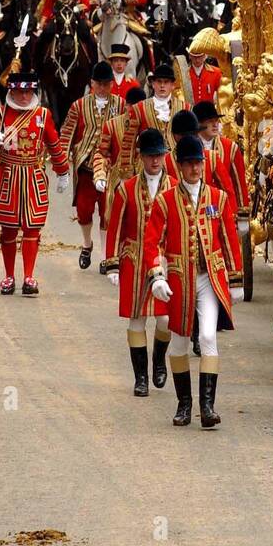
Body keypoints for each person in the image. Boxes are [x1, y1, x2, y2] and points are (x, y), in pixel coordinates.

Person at [143, 134, 243, 429]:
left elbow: (228, 240)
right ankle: (184, 404)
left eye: (199, 162)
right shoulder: (165, 201)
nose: (195, 169)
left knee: (209, 337)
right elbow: (152, 243)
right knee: (180, 342)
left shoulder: (219, 198)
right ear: (180, 166)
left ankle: (207, 407)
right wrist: (156, 276)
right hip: (178, 278)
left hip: (209, 278)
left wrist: (235, 278)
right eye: (189, 164)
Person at [0, 69, 71, 296]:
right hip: (8, 175)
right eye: (20, 93)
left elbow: (54, 143)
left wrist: (62, 171)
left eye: (28, 92)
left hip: (33, 176)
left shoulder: (43, 115)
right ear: (11, 91)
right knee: (8, 230)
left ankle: (29, 276)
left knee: (33, 228)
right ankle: (9, 276)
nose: (24, 97)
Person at [102, 129, 176, 396]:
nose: (155, 161)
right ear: (140, 157)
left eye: (159, 156)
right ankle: (141, 377)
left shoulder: (176, 187)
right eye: (150, 156)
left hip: (164, 260)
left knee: (166, 319)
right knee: (136, 319)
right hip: (133, 259)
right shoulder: (126, 188)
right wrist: (111, 263)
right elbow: (114, 228)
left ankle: (158, 361)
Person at [58, 61, 125, 269]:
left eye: (107, 84)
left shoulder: (121, 105)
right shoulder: (79, 105)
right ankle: (87, 245)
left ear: (112, 84)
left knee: (108, 211)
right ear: (92, 84)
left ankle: (106, 255)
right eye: (99, 84)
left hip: (110, 168)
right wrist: (61, 165)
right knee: (84, 211)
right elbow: (67, 133)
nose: (103, 88)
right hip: (85, 167)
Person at [121, 64, 185, 178]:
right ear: (153, 84)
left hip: (176, 167)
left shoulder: (185, 108)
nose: (162, 85)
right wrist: (127, 173)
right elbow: (128, 143)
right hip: (147, 165)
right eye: (159, 81)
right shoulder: (139, 108)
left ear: (173, 85)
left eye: (166, 82)